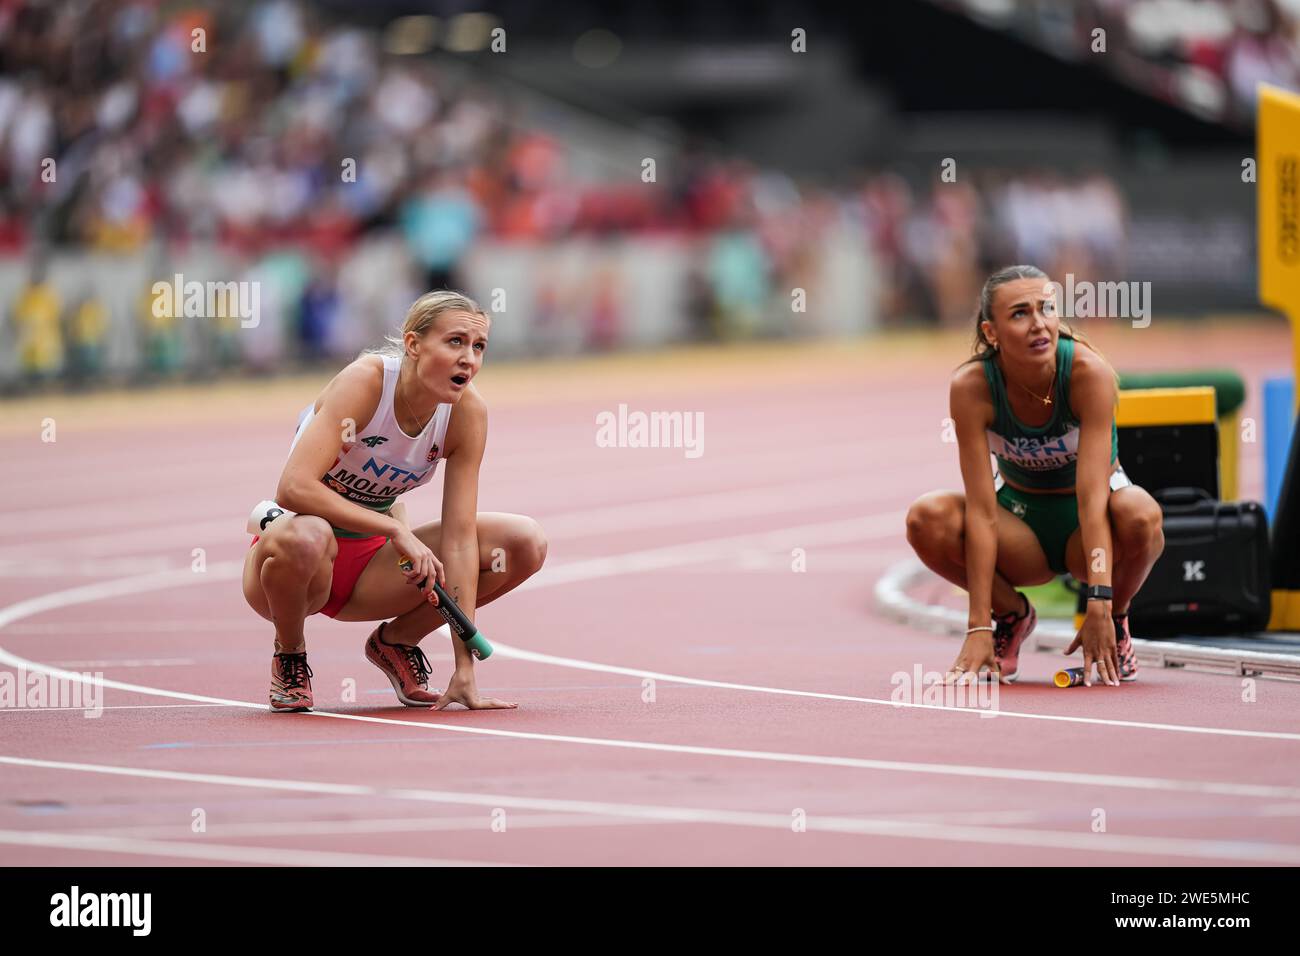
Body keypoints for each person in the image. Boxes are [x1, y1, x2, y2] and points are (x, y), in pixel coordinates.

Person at [241, 290, 547, 711]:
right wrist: (392, 527)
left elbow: (460, 539)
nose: (469, 359)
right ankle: (290, 653)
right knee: (309, 535)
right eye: (455, 342)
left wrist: (464, 668)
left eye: (479, 347)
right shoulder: (366, 382)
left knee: (523, 543)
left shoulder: (466, 414)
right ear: (413, 344)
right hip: (295, 564)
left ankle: (397, 641)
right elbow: (292, 487)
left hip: (371, 574)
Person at [905, 265, 1164, 687]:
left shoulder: (1087, 374)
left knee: (1142, 514)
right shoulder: (971, 387)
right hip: (1020, 521)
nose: (1038, 323)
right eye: (1020, 314)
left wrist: (1100, 599)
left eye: (1047, 308)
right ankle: (1012, 616)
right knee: (926, 518)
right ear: (991, 332)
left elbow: (1092, 499)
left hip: (1090, 525)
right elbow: (983, 513)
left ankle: (1117, 623)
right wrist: (978, 626)